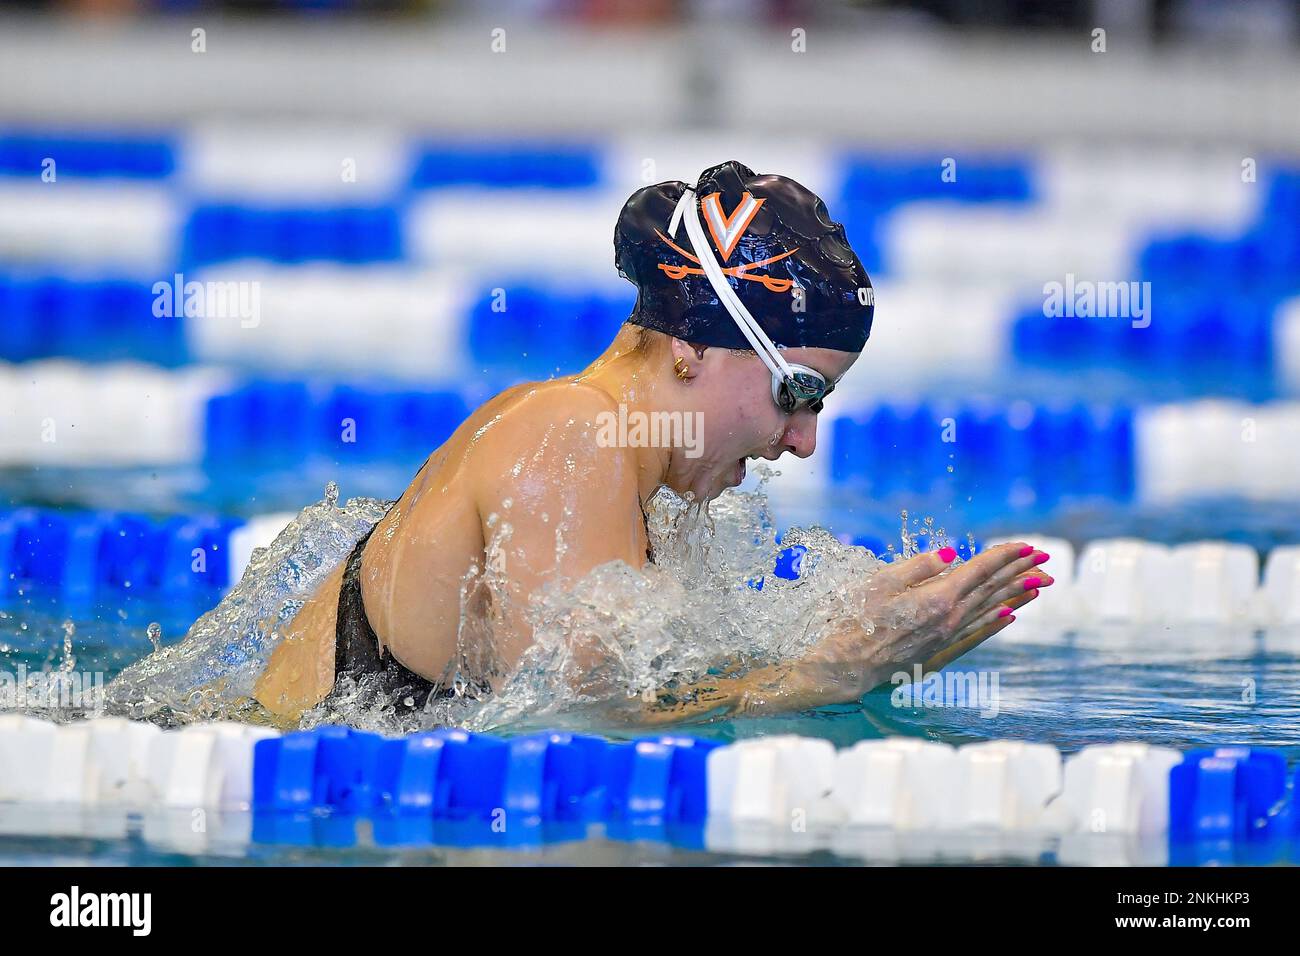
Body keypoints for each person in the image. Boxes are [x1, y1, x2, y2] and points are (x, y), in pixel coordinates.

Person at [251, 160, 1052, 724]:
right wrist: (822, 675)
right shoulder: (576, 435)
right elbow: (566, 729)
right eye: (798, 392)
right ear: (694, 345)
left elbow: (599, 701)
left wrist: (836, 635)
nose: (804, 440)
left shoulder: (620, 465)